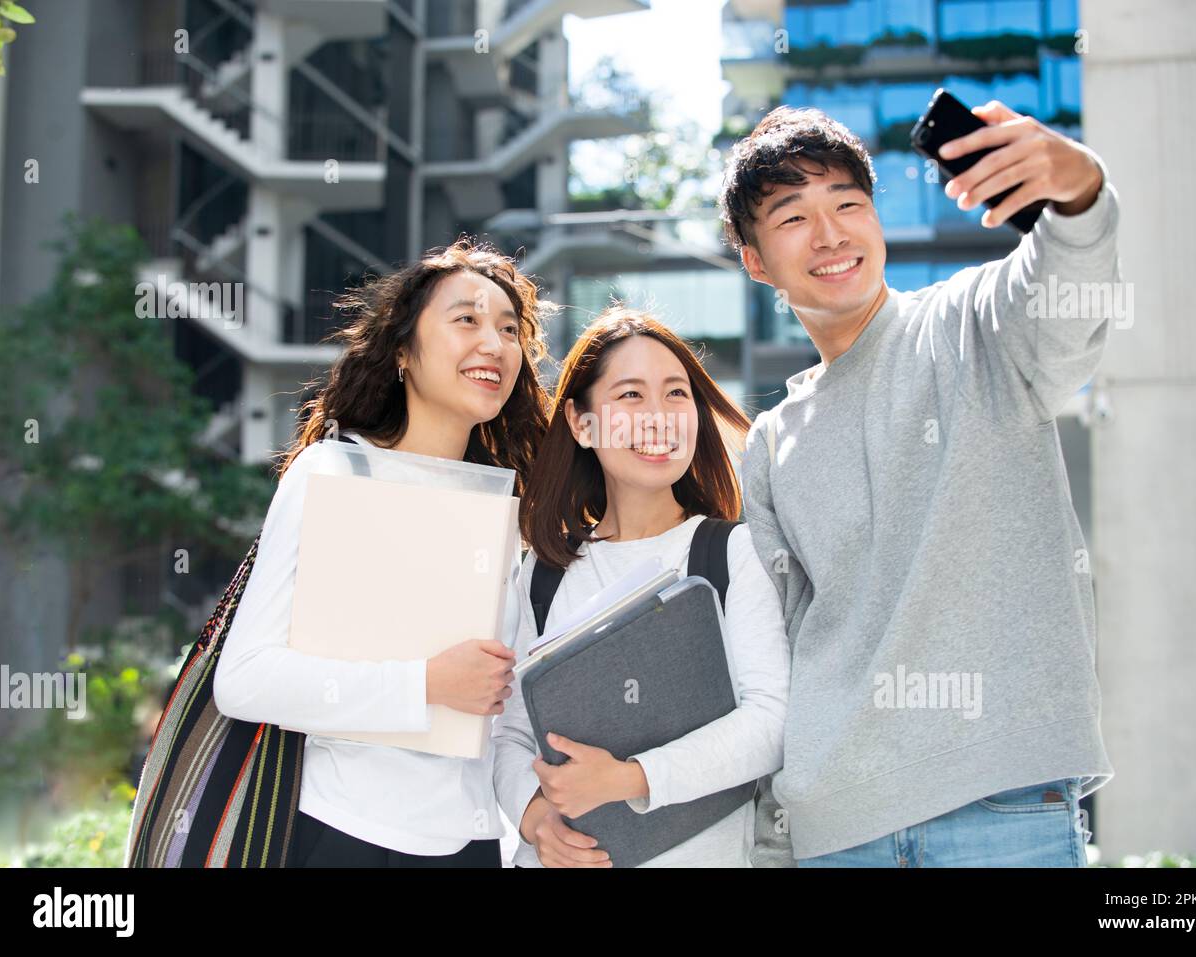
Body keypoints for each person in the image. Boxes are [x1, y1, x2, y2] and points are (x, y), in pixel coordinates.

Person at [718, 102, 1119, 867]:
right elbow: (778, 650)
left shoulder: (971, 325)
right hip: (839, 826)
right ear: (756, 259)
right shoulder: (770, 442)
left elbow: (1069, 287)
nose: (831, 234)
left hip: (1004, 807)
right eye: (793, 216)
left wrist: (1079, 190)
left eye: (848, 205)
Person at [213, 237, 550, 867]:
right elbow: (244, 679)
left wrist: (534, 815)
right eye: (466, 320)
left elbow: (509, 709)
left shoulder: (517, 513)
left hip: (473, 843)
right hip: (346, 833)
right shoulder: (334, 473)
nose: (494, 344)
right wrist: (425, 684)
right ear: (402, 352)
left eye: (510, 329)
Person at [493, 306, 790, 867]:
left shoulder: (731, 553)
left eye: (676, 394)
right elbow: (508, 734)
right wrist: (535, 819)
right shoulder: (544, 571)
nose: (659, 416)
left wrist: (628, 780)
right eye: (631, 396)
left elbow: (770, 722)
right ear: (582, 424)